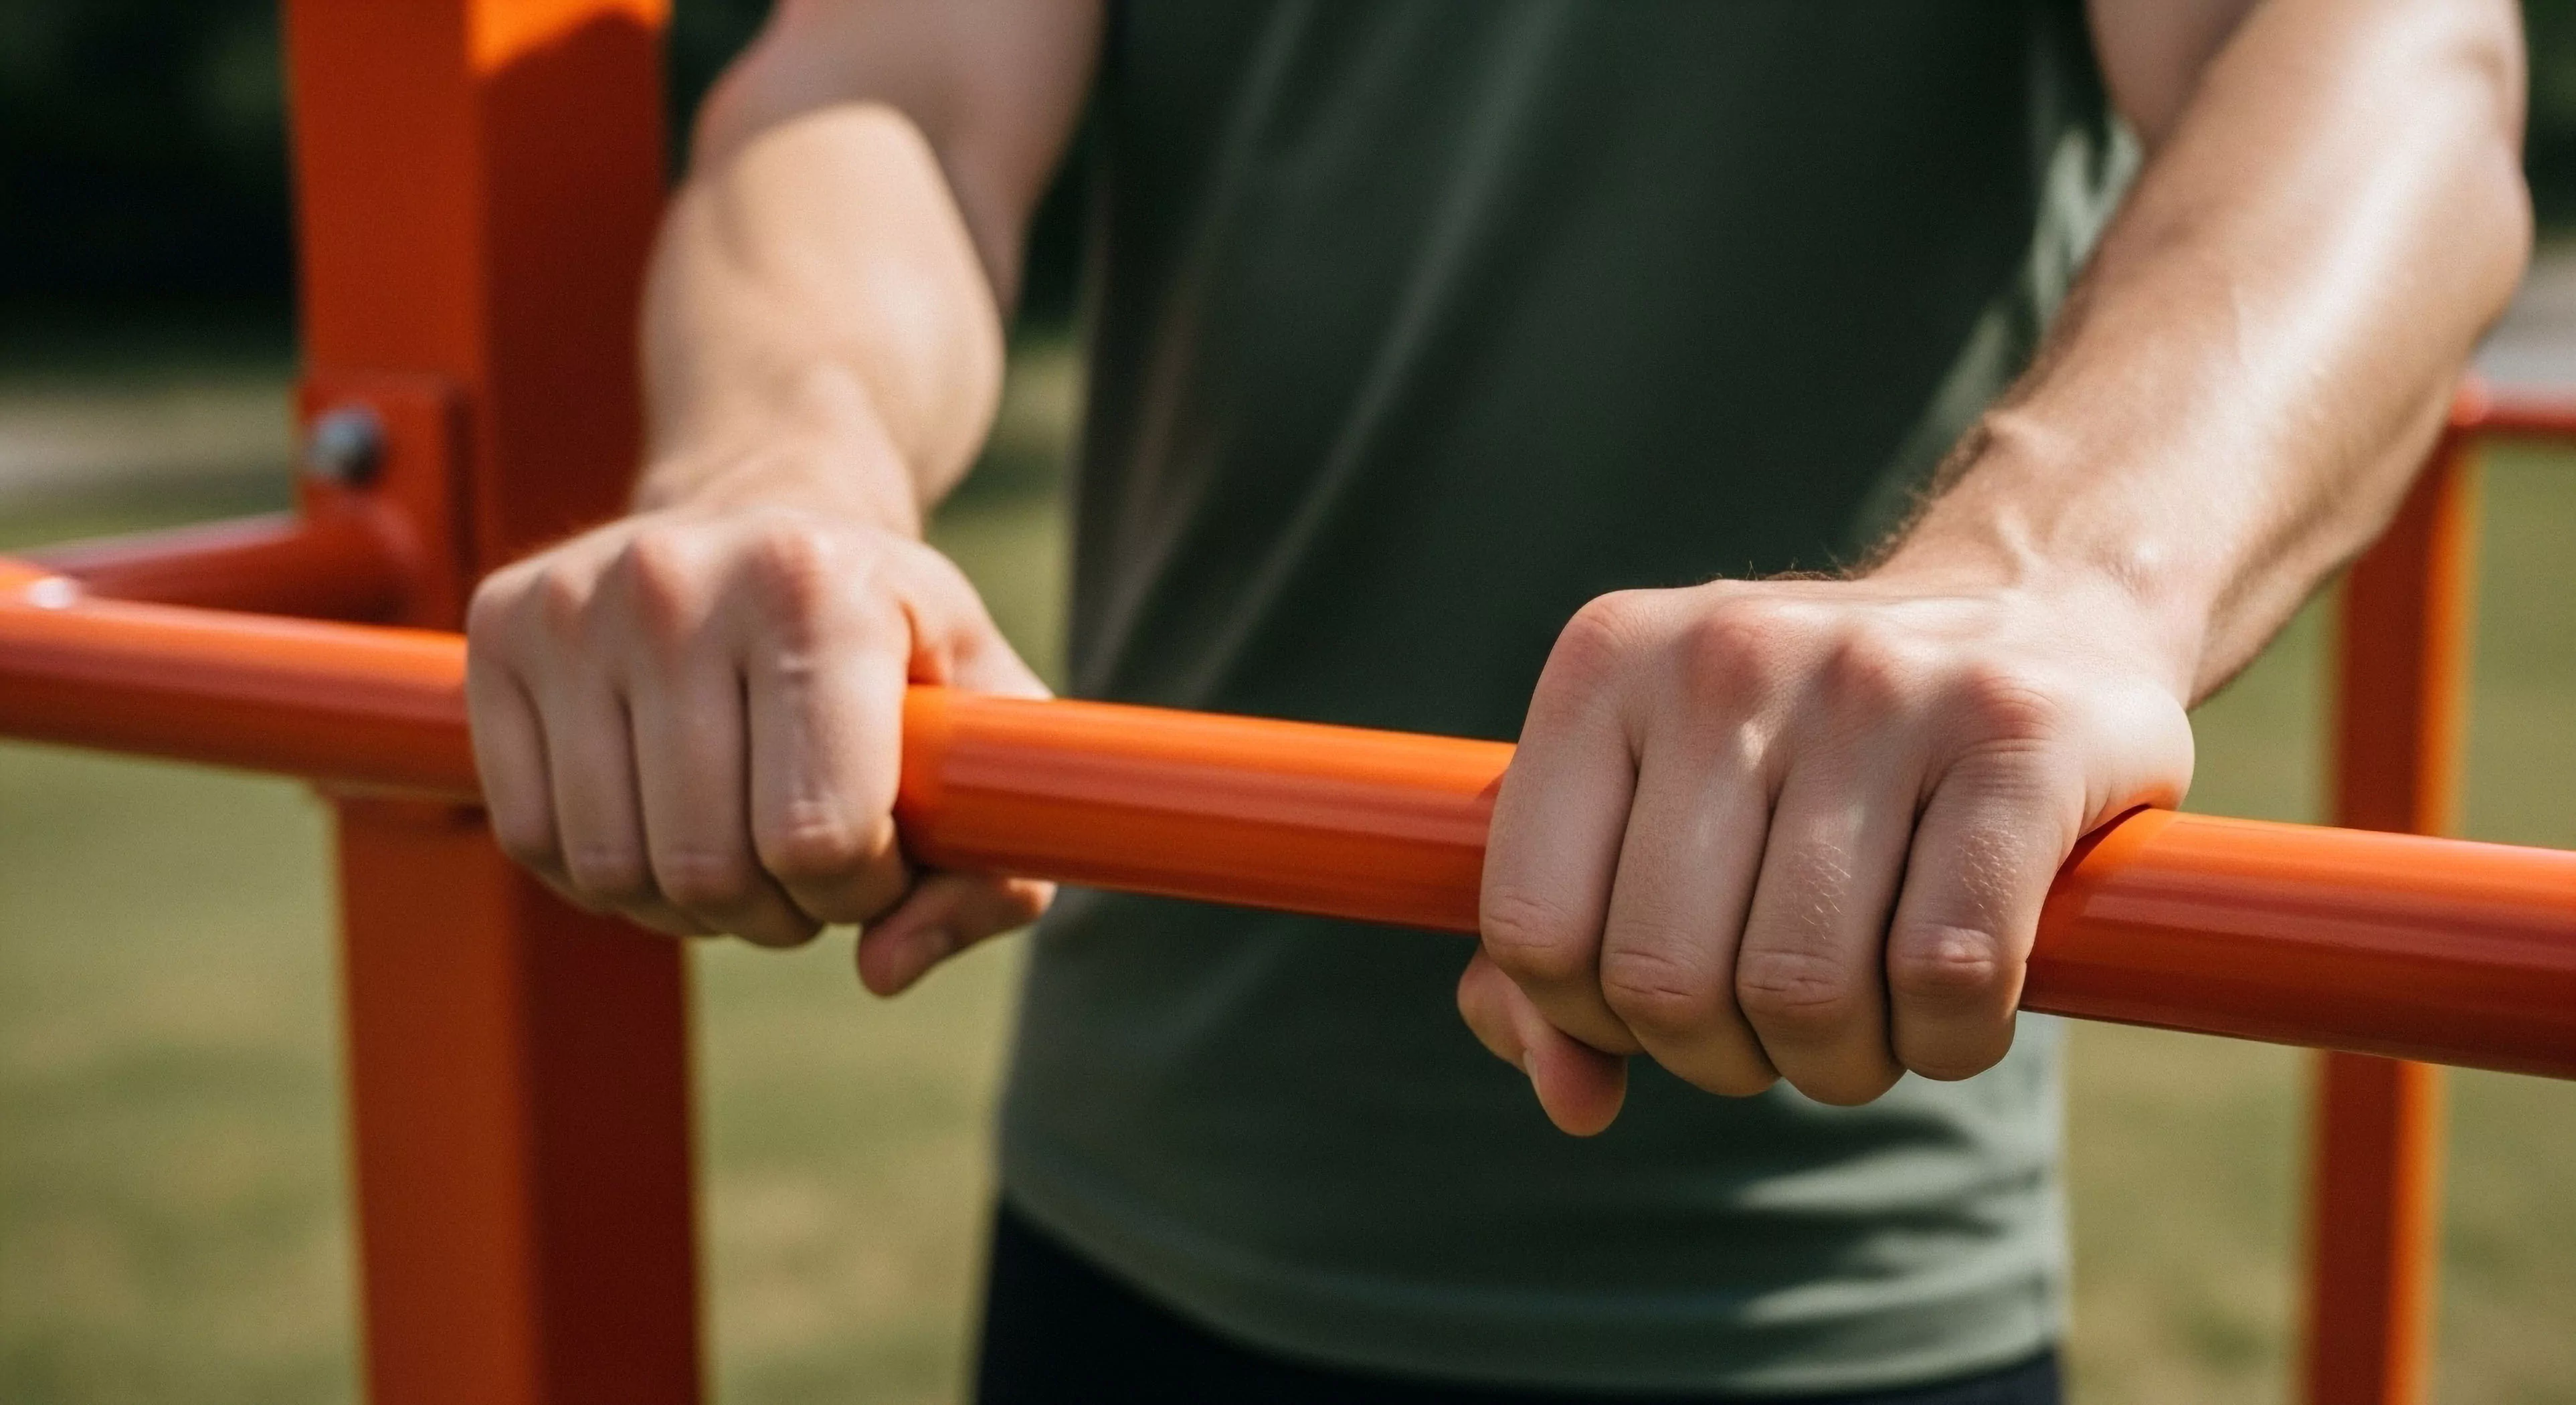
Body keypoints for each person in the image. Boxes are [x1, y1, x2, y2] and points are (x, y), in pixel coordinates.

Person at [462, 1, 2529, 1400]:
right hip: (1136, 1227)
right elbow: (896, 78)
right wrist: (773, 475)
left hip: (1822, 1292)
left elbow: (2374, 54)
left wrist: (2050, 577)